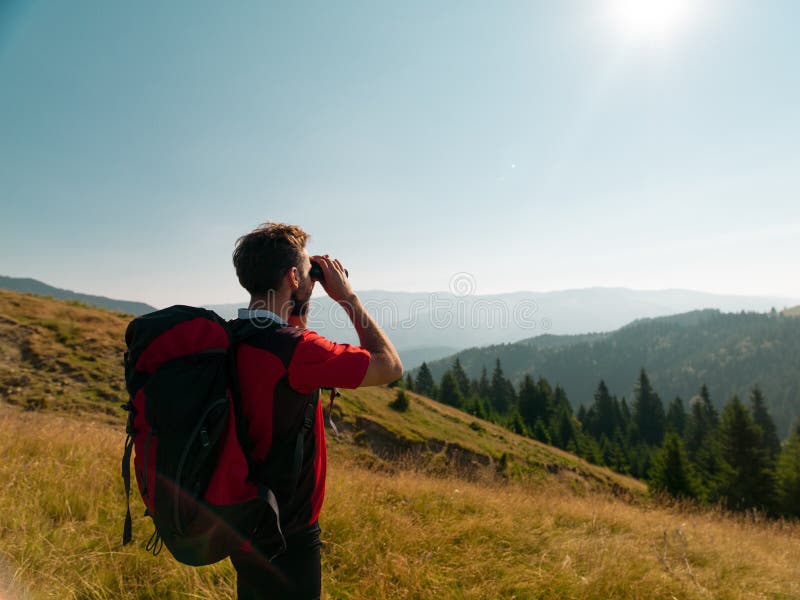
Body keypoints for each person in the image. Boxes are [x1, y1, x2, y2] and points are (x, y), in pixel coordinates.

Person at [226, 222, 402, 599]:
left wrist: (299, 295)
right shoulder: (298, 352)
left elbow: (285, 343)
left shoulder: (231, 337)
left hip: (240, 518)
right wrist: (348, 298)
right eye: (307, 272)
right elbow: (389, 365)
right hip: (288, 529)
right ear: (292, 275)